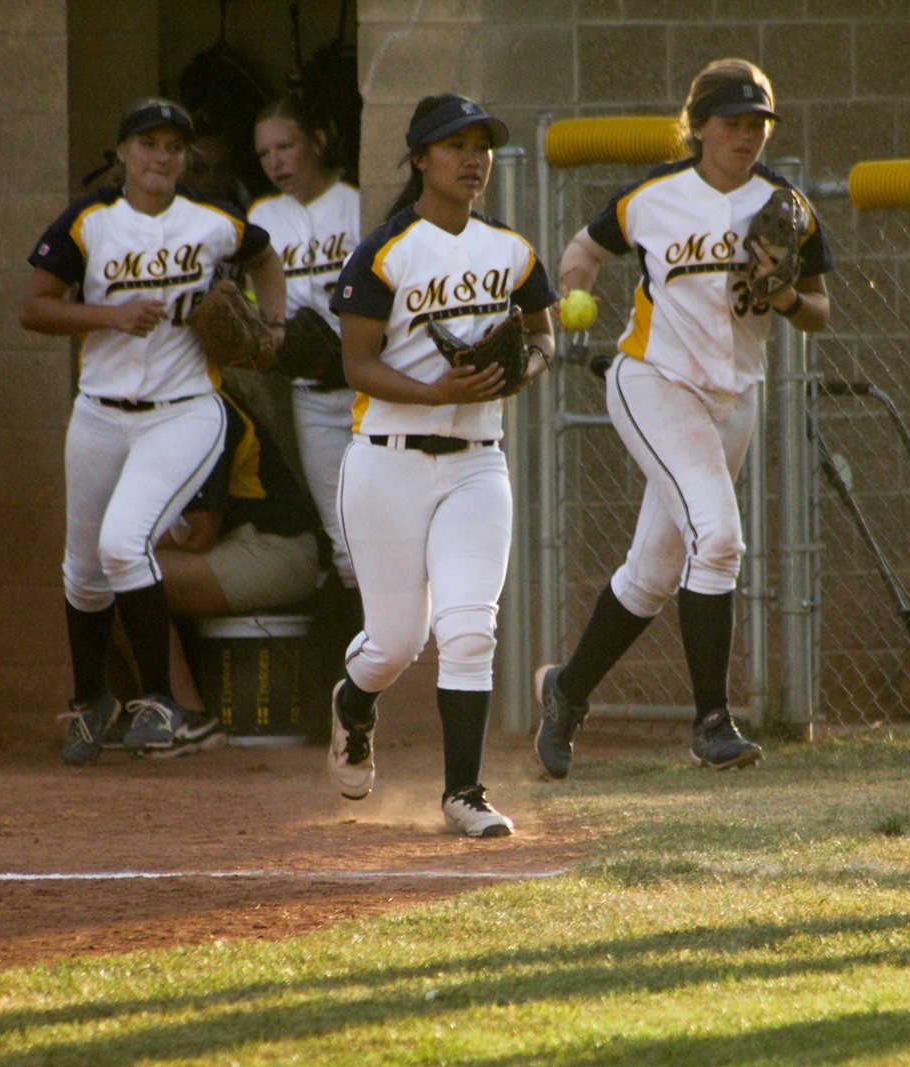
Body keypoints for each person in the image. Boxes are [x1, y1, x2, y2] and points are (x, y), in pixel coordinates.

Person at [532, 58, 833, 780]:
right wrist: (576, 290)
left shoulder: (784, 204)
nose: (746, 136)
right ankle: (712, 723)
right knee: (720, 537)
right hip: (652, 380)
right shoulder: (655, 196)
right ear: (698, 126)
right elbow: (582, 250)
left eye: (758, 123)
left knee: (654, 571)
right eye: (731, 122)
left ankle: (565, 690)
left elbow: (820, 310)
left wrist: (788, 298)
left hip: (733, 398)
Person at [20, 99, 287, 767]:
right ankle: (92, 701)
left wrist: (271, 326)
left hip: (184, 408)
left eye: (173, 145)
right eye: (149, 144)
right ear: (123, 153)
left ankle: (163, 703)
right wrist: (106, 315)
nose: (162, 156)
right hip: (100, 410)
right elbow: (34, 307)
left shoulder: (212, 219)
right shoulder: (89, 222)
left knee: (121, 542)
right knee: (82, 570)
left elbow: (265, 258)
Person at [326, 93, 555, 838]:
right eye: (455, 144)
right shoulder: (384, 251)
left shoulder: (512, 251)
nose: (472, 157)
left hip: (476, 465)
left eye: (482, 144)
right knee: (396, 641)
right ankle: (353, 704)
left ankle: (464, 793)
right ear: (420, 158)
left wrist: (525, 370)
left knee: (468, 628)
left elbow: (542, 336)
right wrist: (432, 391)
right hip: (387, 461)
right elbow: (356, 364)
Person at [104, 388, 321, 727]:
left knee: (122, 577)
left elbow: (199, 533)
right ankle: (162, 713)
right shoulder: (138, 409)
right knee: (112, 570)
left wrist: (134, 543)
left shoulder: (205, 407)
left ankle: (186, 718)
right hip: (236, 544)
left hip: (275, 548)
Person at [248, 96, 364, 719]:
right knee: (344, 542)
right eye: (264, 153)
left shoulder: (359, 201)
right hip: (313, 396)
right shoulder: (264, 216)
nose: (274, 162)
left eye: (285, 146)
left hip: (376, 388)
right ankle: (362, 687)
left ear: (318, 138)